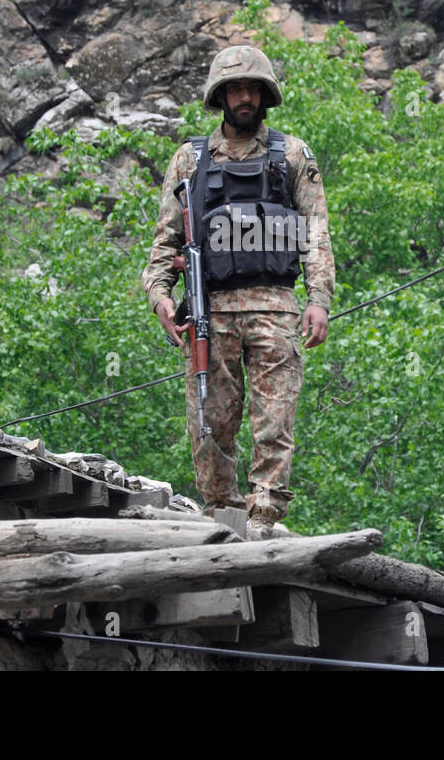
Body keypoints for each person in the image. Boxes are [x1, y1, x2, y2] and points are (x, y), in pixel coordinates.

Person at [142, 45, 334, 539]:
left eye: (252, 88)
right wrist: (160, 296)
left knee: (275, 423)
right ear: (220, 96)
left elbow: (315, 234)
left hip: (276, 308)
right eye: (235, 89)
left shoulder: (292, 154)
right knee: (210, 423)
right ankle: (221, 518)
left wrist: (318, 300)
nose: (244, 97)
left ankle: (266, 518)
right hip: (212, 311)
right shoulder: (190, 159)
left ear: (265, 95)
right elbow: (165, 238)